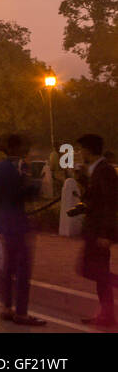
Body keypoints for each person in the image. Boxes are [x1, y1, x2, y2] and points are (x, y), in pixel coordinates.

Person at [0, 134, 45, 326]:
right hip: (19, 222)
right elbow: (25, 194)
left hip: (3, 221)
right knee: (22, 269)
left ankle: (6, 307)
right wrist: (36, 184)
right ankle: (21, 313)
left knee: (7, 267)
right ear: (17, 148)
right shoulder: (22, 167)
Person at [74, 134, 117, 328]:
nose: (80, 153)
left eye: (81, 149)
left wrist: (106, 234)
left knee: (95, 271)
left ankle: (107, 315)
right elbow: (92, 199)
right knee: (94, 271)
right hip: (93, 229)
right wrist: (82, 180)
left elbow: (110, 203)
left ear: (89, 150)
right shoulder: (95, 171)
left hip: (100, 231)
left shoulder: (105, 171)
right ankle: (106, 314)